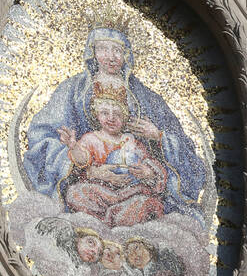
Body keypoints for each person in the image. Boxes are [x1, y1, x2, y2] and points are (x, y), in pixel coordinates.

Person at [22, 24, 207, 222]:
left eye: (117, 50)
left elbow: (182, 149)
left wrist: (158, 136)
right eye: (103, 49)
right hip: (92, 183)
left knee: (145, 203)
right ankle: (108, 219)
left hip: (135, 185)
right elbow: (44, 136)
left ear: (126, 55)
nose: (111, 57)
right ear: (92, 52)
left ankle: (121, 217)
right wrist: (88, 169)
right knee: (77, 195)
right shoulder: (72, 91)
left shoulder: (145, 97)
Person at [62, 87, 168, 228]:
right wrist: (73, 146)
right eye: (105, 113)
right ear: (97, 115)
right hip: (101, 192)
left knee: (144, 203)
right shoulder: (91, 139)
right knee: (75, 193)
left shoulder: (134, 142)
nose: (111, 118)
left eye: (117, 114)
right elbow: (82, 160)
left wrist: (147, 172)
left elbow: (150, 164)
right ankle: (102, 221)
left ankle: (117, 218)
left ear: (125, 118)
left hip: (131, 192)